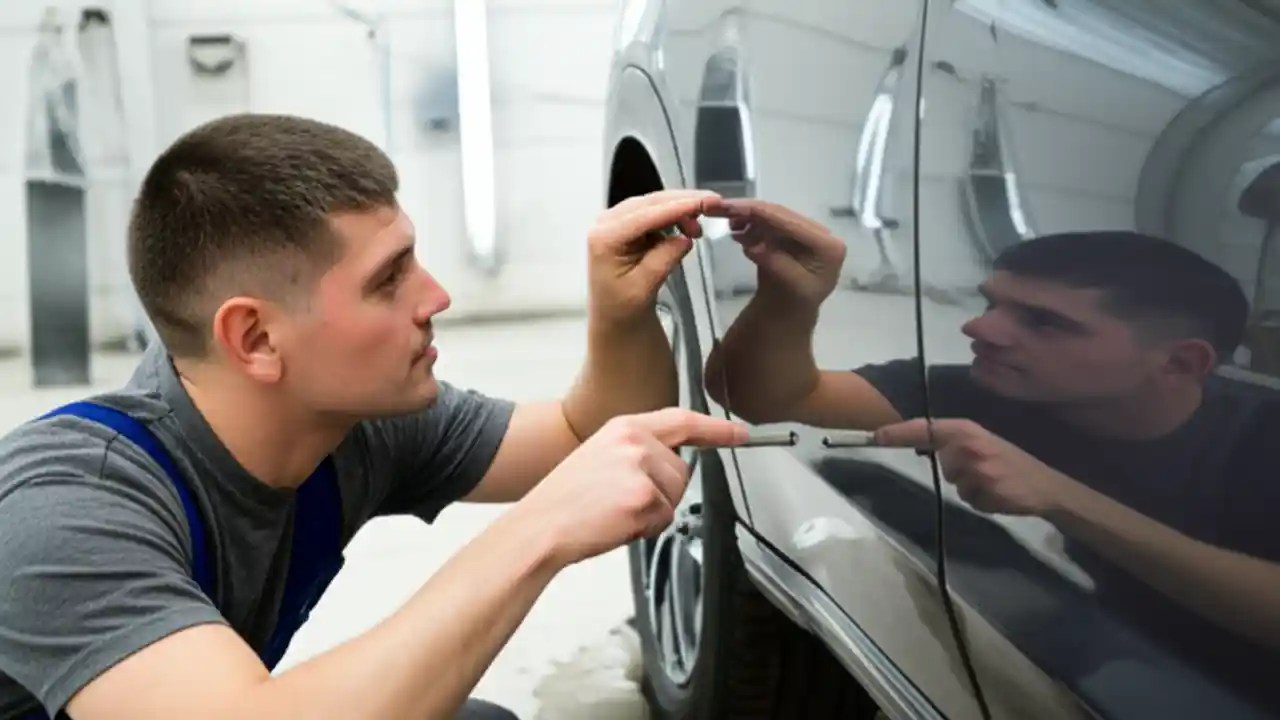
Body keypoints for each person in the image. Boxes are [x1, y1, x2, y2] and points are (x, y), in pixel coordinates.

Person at [0, 113, 747, 720]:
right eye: (389, 280)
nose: (436, 297)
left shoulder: (347, 426)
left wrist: (620, 313)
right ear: (255, 338)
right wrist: (536, 532)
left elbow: (582, 442)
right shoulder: (65, 511)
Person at [701, 198, 1280, 707]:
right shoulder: (1001, 391)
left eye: (1044, 323)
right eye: (993, 304)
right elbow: (771, 396)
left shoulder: (1260, 439)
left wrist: (1059, 498)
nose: (981, 328)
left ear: (1180, 363)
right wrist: (788, 297)